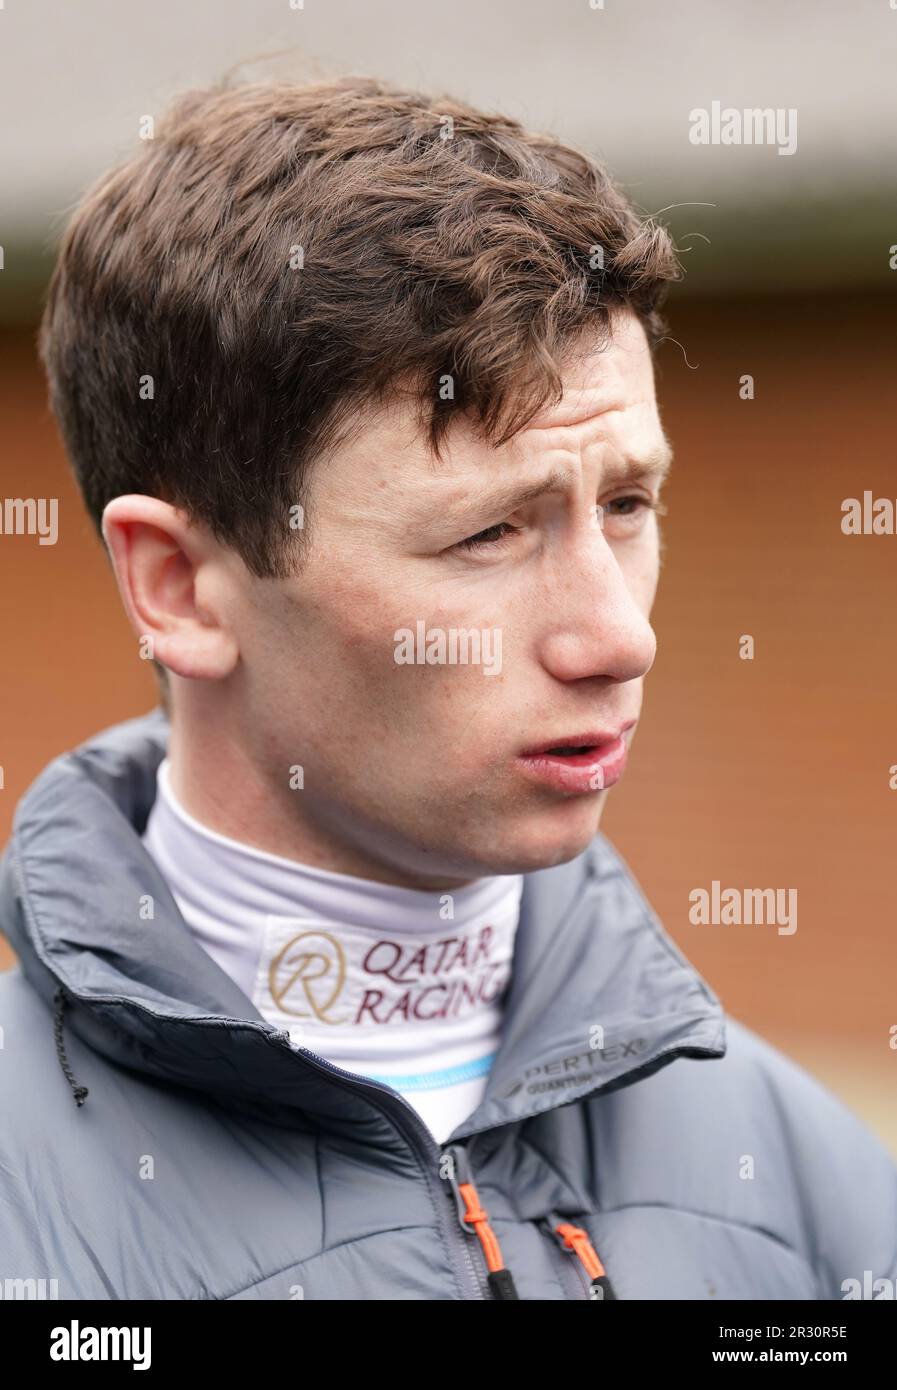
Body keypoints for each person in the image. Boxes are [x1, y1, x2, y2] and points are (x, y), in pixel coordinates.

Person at [1, 73, 894, 1301]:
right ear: (181, 589)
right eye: (488, 534)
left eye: (628, 505)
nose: (616, 637)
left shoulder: (811, 1189)